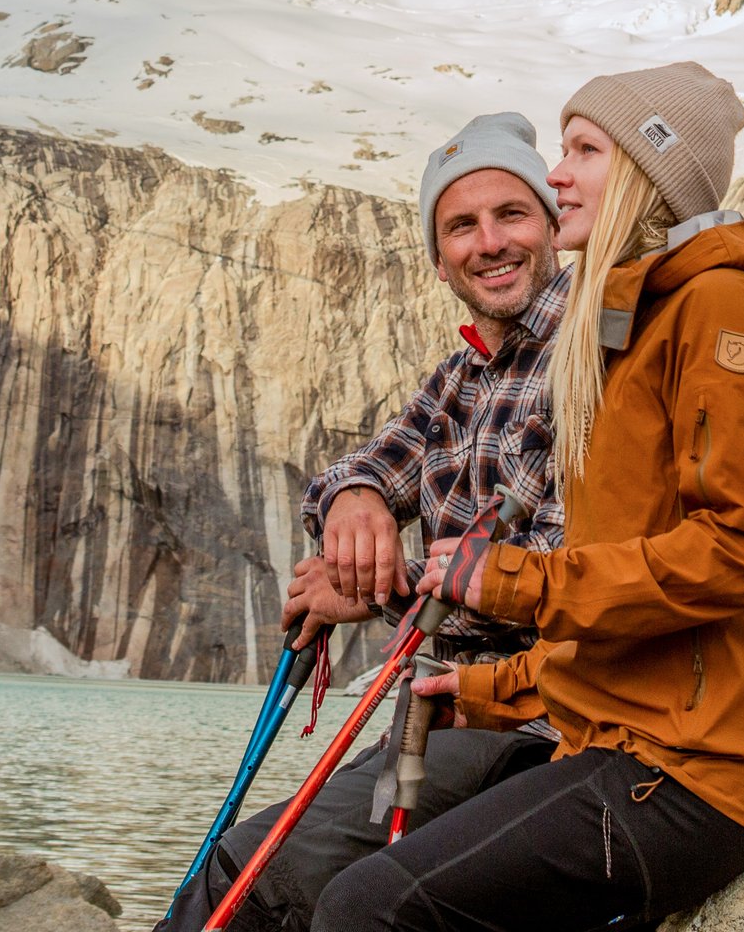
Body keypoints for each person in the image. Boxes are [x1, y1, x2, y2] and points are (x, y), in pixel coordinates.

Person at [315, 61, 744, 932]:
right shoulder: (638, 319)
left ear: (648, 167)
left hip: (692, 773)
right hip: (616, 743)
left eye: (585, 150)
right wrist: (491, 691)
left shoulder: (723, 309)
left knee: (367, 908)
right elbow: (620, 595)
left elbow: (739, 553)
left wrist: (512, 581)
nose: (557, 175)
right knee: (365, 899)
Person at [159, 112, 570, 932]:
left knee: (261, 874)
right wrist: (357, 502)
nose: (490, 242)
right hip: (438, 722)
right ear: (438, 259)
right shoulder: (460, 379)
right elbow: (367, 466)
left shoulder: (588, 356)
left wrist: (374, 587)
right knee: (271, 870)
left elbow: (555, 561)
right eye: (461, 226)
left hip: (533, 718)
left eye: (511, 215)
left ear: (553, 226)